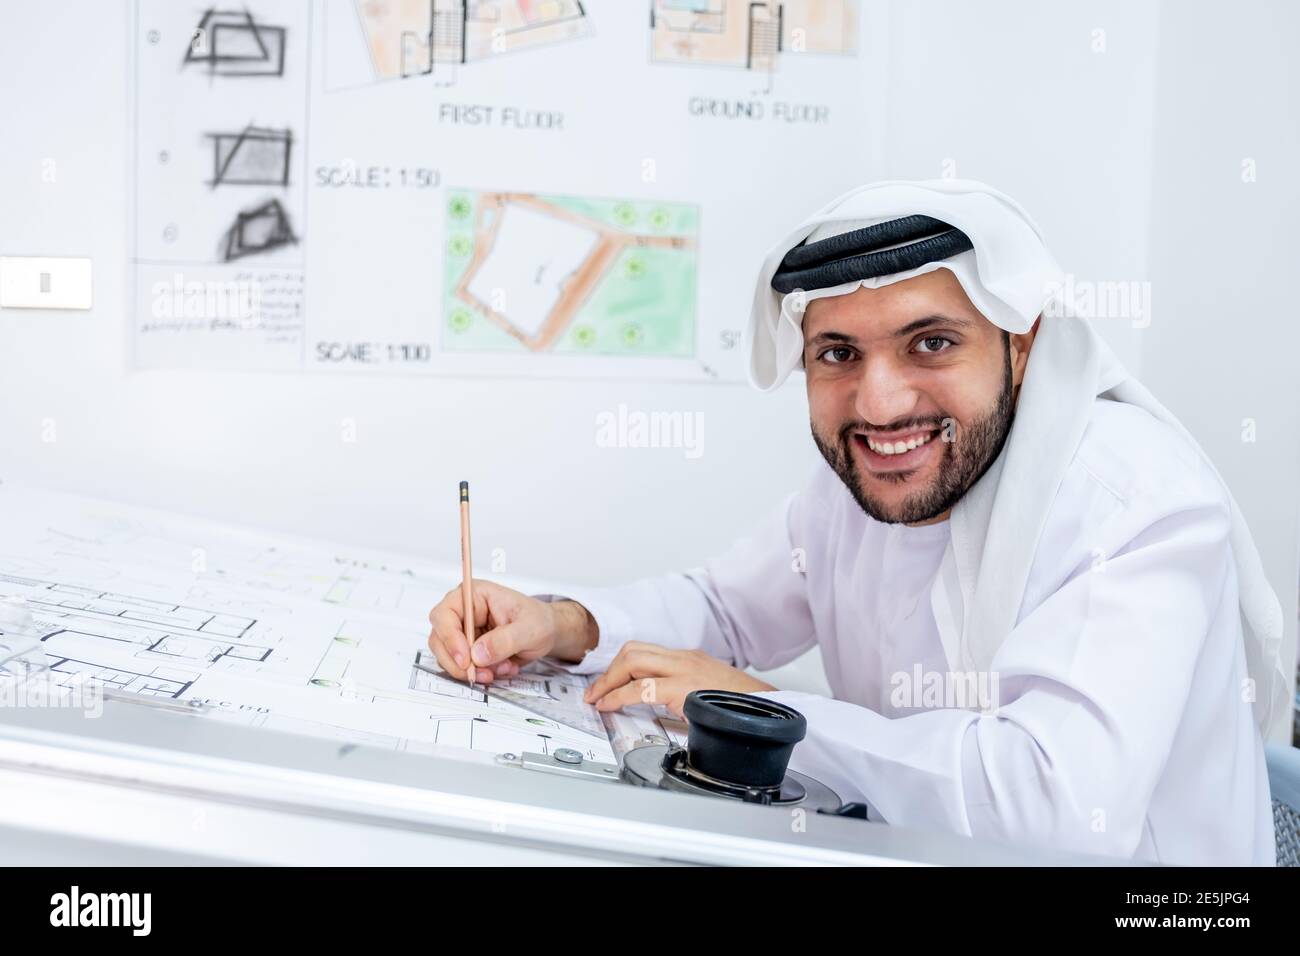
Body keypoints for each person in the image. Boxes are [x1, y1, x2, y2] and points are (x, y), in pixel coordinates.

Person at [427, 180, 1288, 865]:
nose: (879, 403)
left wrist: (761, 713)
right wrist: (561, 624)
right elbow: (727, 611)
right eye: (838, 354)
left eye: (931, 343)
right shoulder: (869, 477)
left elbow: (1058, 808)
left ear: (1020, 347)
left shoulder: (1134, 502)